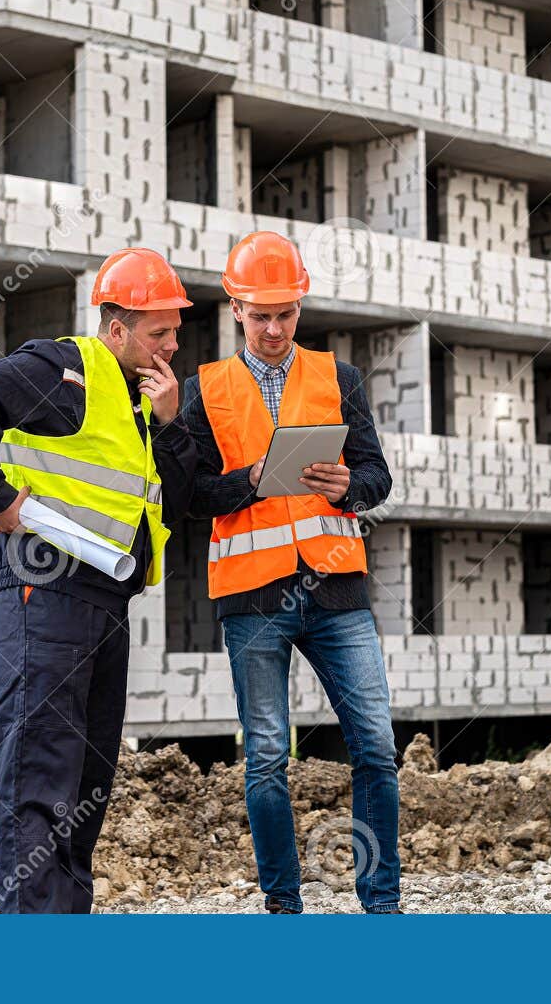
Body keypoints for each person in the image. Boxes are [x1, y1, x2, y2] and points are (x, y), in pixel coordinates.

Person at [0, 247, 197, 913]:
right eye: (159, 332)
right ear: (117, 329)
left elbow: (178, 498)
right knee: (40, 769)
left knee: (87, 777)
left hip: (106, 599)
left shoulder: (141, 403)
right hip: (43, 588)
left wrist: (171, 424)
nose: (172, 345)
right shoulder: (66, 370)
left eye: (175, 331)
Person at [179, 230, 401, 914]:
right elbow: (191, 497)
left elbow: (377, 476)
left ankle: (382, 904)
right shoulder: (204, 390)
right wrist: (248, 480)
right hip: (252, 598)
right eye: (260, 316)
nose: (273, 329)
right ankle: (284, 907)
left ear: (299, 308)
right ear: (236, 309)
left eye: (285, 314)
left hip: (337, 591)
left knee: (376, 746)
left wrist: (349, 487)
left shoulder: (340, 379)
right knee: (268, 757)